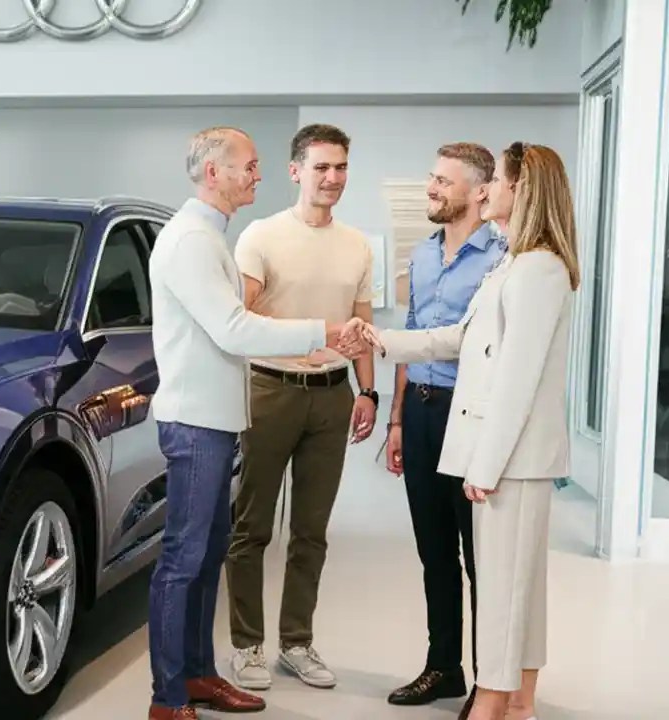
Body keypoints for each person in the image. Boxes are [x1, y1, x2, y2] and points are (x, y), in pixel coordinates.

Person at [145, 125, 367, 720]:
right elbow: (233, 329)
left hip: (215, 421)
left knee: (208, 554)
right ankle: (166, 700)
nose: (257, 174)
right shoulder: (191, 240)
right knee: (182, 562)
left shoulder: (211, 236)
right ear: (214, 172)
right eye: (249, 165)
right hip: (195, 424)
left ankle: (197, 676)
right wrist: (322, 332)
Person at [357, 141, 580, 720]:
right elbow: (457, 338)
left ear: (517, 190)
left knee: (504, 588)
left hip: (511, 456)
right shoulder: (516, 265)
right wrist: (380, 342)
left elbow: (517, 381)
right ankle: (520, 702)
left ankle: (493, 704)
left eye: (501, 181)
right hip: (499, 449)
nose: (493, 191)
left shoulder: (537, 270)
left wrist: (483, 466)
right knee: (516, 588)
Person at [224, 123, 376, 692]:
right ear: (296, 172)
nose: (332, 178)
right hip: (270, 389)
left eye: (340, 168)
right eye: (321, 168)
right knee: (252, 527)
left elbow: (361, 325)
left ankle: (296, 642)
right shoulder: (261, 237)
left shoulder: (356, 245)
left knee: (312, 530)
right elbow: (241, 319)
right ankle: (246, 645)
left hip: (332, 398)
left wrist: (367, 391)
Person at [385, 143, 507, 708]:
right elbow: (412, 339)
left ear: (480, 192)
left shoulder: (503, 260)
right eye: (430, 177)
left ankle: (490, 680)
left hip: (471, 414)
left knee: (479, 556)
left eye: (442, 180)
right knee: (433, 549)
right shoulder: (424, 254)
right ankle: (443, 667)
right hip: (423, 409)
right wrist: (397, 421)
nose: (431, 188)